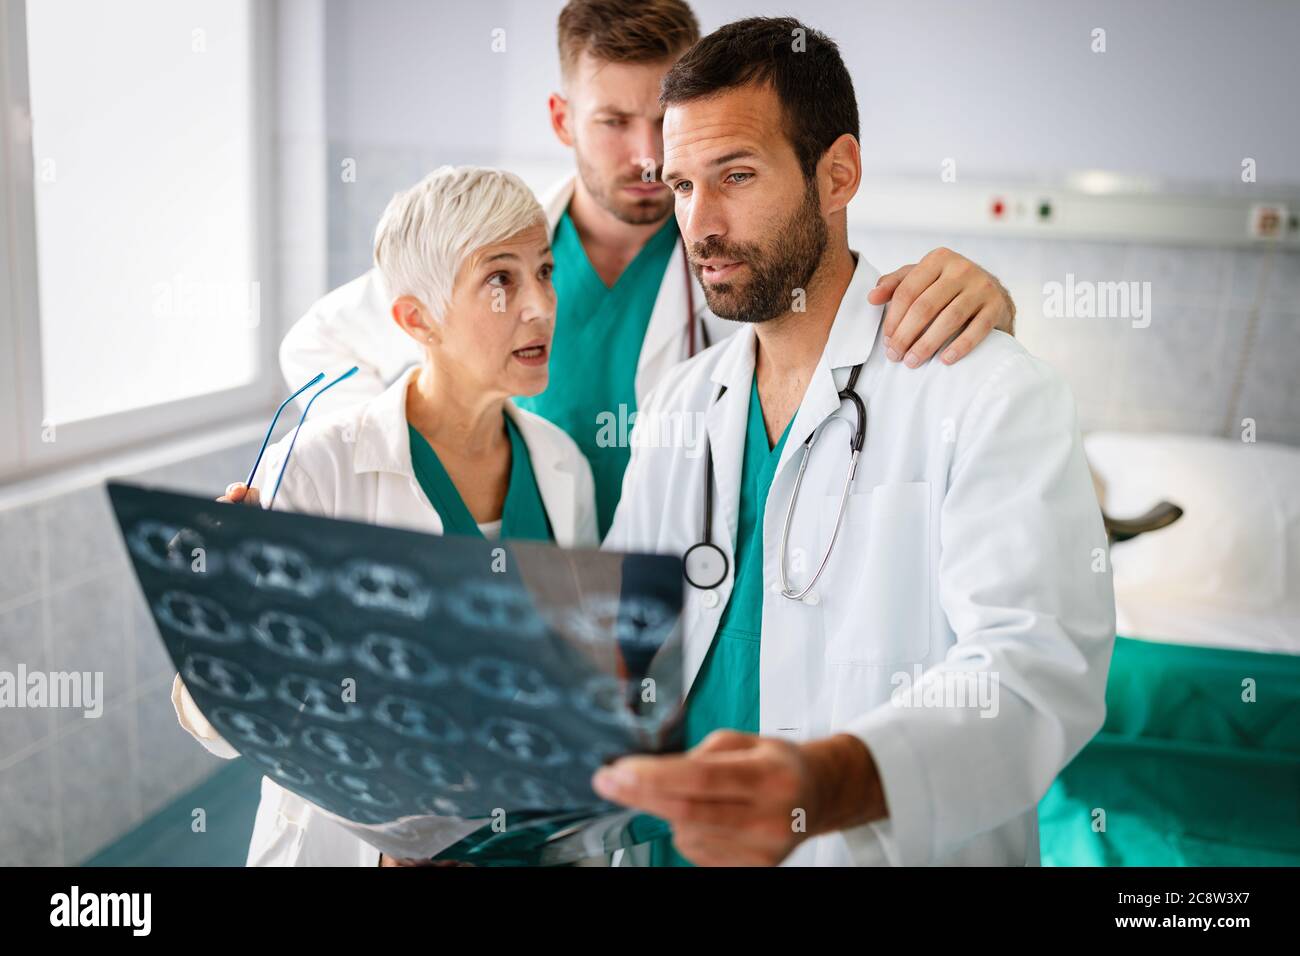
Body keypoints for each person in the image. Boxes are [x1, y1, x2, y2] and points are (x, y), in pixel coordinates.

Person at [592, 17, 1116, 866]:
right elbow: (615, 640)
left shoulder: (986, 391)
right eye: (683, 185)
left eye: (736, 175)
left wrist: (826, 783)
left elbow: (1036, 674)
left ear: (838, 174)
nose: (702, 224)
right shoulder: (682, 402)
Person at [279, 0, 1020, 538]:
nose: (645, 155)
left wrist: (985, 304)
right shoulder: (484, 250)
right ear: (563, 119)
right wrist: (379, 460)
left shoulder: (736, 262)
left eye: (661, 119)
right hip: (537, 571)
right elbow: (318, 348)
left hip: (668, 588)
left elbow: (840, 305)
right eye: (612, 121)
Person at [172, 165, 597, 866]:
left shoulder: (562, 468)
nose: (541, 306)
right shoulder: (318, 465)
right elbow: (212, 721)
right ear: (414, 319)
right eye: (501, 279)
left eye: (544, 271)